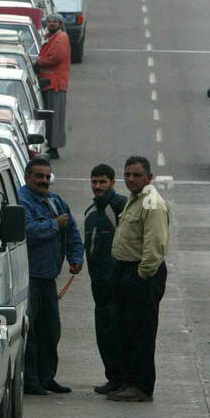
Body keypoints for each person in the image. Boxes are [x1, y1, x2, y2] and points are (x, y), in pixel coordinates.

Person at [17, 157, 83, 397]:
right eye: (39, 176)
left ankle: (47, 377)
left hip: (48, 277)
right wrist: (55, 224)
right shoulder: (21, 201)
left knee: (50, 330)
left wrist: (76, 257)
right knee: (31, 332)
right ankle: (31, 380)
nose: (44, 181)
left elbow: (73, 231)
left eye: (47, 177)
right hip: (29, 277)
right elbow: (28, 232)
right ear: (27, 178)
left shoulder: (55, 201)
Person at [108, 156, 171, 403]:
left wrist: (141, 275)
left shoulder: (152, 204)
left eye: (136, 175)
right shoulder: (135, 200)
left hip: (142, 274)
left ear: (149, 177)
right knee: (126, 329)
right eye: (127, 175)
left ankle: (141, 386)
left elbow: (154, 245)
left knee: (141, 331)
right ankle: (127, 381)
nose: (131, 179)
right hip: (125, 270)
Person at [82, 164, 128, 395]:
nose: (98, 187)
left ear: (112, 182)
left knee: (118, 333)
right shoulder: (91, 212)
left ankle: (123, 380)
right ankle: (112, 378)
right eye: (94, 182)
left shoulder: (121, 207)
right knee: (104, 334)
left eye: (102, 182)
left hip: (117, 285)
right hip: (98, 285)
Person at [34, 14, 71, 158]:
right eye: (49, 21)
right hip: (48, 82)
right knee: (49, 117)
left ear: (60, 24)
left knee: (54, 117)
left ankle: (54, 147)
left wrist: (38, 61)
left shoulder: (61, 38)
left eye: (55, 22)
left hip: (55, 83)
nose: (51, 24)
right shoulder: (51, 37)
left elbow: (53, 58)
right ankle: (50, 145)